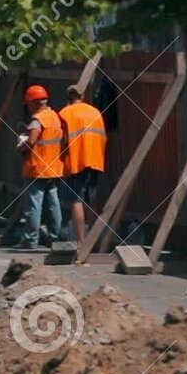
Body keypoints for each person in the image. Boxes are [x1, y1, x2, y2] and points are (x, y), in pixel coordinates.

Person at [14, 84, 65, 250]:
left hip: (37, 168)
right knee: (53, 204)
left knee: (34, 205)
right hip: (53, 167)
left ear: (34, 103)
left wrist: (21, 146)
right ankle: (55, 238)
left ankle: (30, 240)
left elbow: (31, 141)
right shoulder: (55, 117)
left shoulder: (38, 120)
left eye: (28, 104)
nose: (28, 108)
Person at [58, 84, 108, 251]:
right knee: (91, 199)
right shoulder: (95, 112)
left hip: (76, 161)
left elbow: (63, 139)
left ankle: (81, 242)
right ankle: (94, 240)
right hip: (95, 159)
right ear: (83, 96)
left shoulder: (65, 113)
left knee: (76, 200)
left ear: (68, 97)